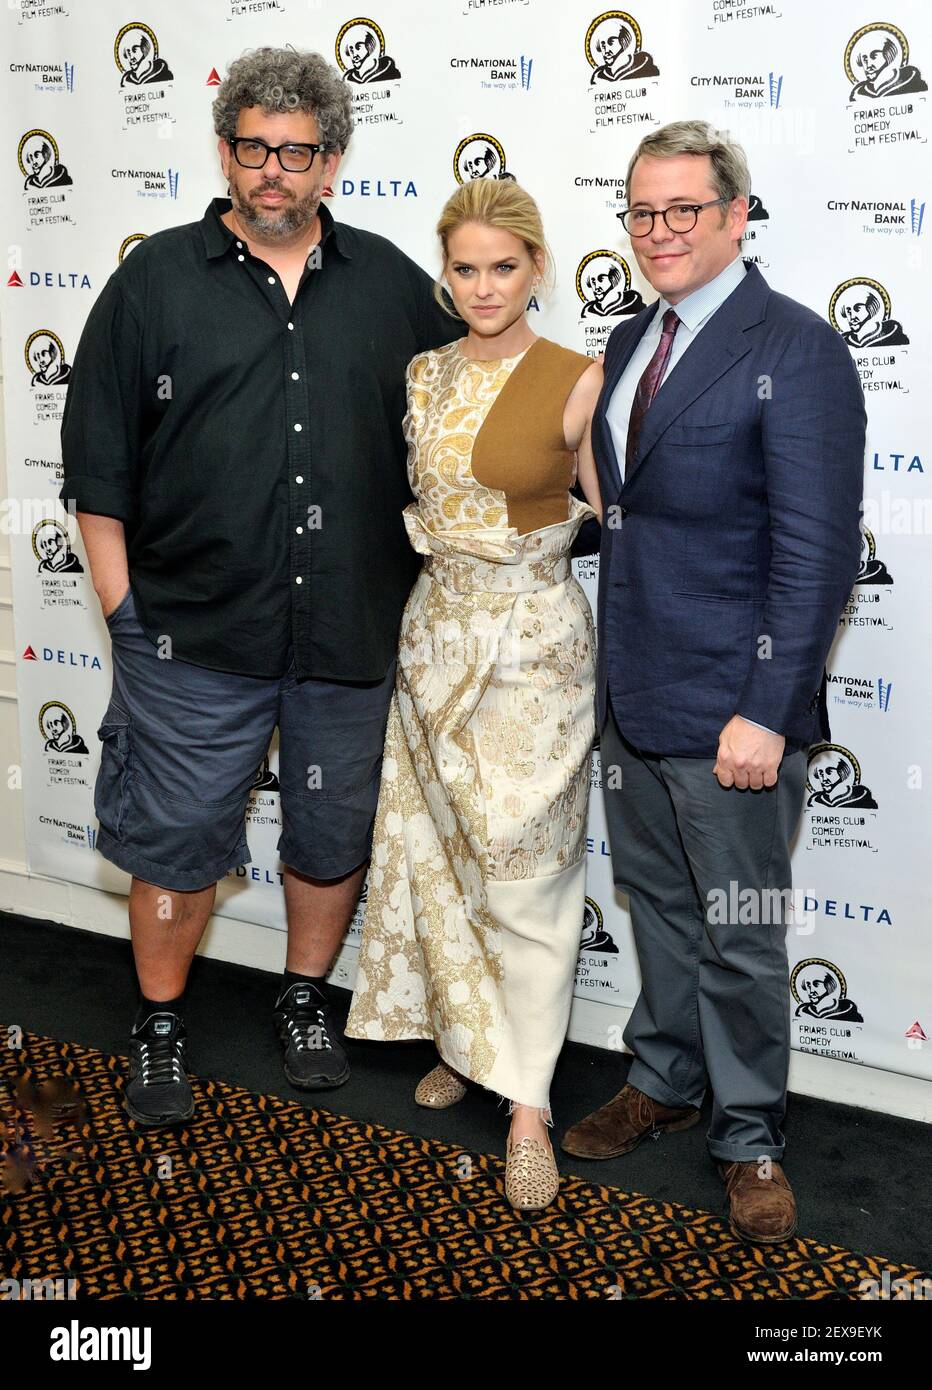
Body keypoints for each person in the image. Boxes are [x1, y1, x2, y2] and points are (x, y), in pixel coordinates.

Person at [59, 46, 464, 1128]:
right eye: (254, 147)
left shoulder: (393, 288)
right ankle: (156, 1020)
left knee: (328, 840)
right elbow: (98, 468)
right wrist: (124, 617)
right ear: (225, 150)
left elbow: (465, 434)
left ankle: (301, 997)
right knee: (172, 842)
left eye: (297, 151)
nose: (272, 171)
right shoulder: (152, 282)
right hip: (189, 636)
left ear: (332, 161)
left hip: (348, 633)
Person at [561, 121, 865, 1244]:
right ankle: (665, 1077)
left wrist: (765, 709)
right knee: (663, 907)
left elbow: (817, 553)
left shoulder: (795, 348)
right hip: (631, 695)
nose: (658, 232)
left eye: (682, 210)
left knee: (738, 927)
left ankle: (747, 1139)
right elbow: (622, 508)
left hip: (733, 705)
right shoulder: (632, 334)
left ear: (736, 217)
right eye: (641, 212)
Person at [345, 178, 604, 1214]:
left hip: (531, 649)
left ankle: (528, 1103)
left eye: (503, 266)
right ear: (444, 273)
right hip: (432, 634)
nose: (483, 286)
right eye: (464, 268)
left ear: (536, 267)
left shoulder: (579, 379)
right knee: (439, 850)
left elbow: (616, 512)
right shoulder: (421, 374)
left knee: (524, 871)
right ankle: (465, 1033)